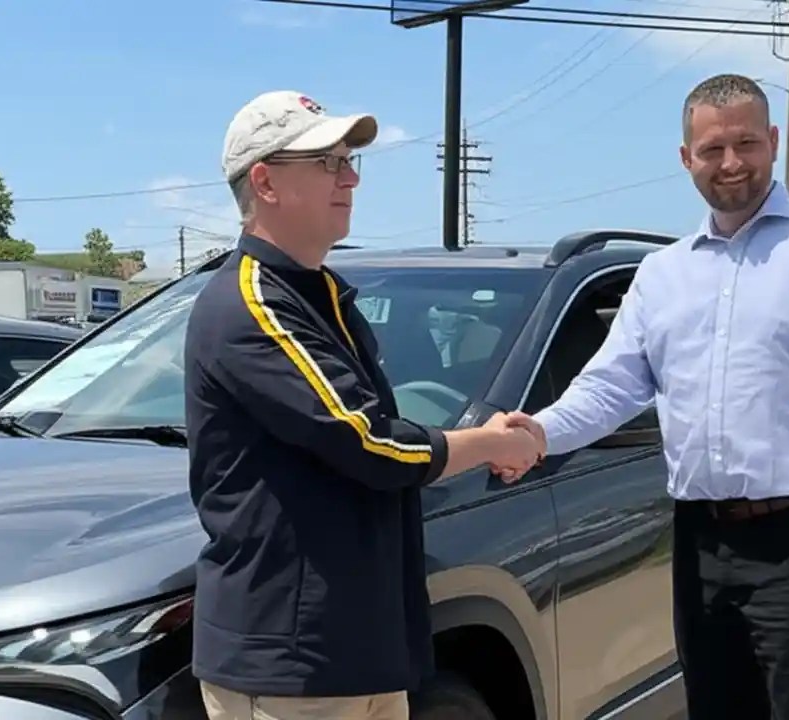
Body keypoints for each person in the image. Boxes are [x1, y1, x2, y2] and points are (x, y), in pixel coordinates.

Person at [503, 73, 789, 719]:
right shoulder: (663, 274)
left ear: (774, 141)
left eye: (747, 144)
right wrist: (536, 434)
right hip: (701, 542)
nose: (731, 163)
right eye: (712, 149)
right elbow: (611, 385)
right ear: (685, 158)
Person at [183, 90, 542, 720]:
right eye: (327, 162)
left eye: (350, 160)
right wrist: (490, 443)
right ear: (264, 181)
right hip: (292, 665)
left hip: (353, 648)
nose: (349, 176)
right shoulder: (251, 302)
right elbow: (371, 442)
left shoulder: (317, 293)